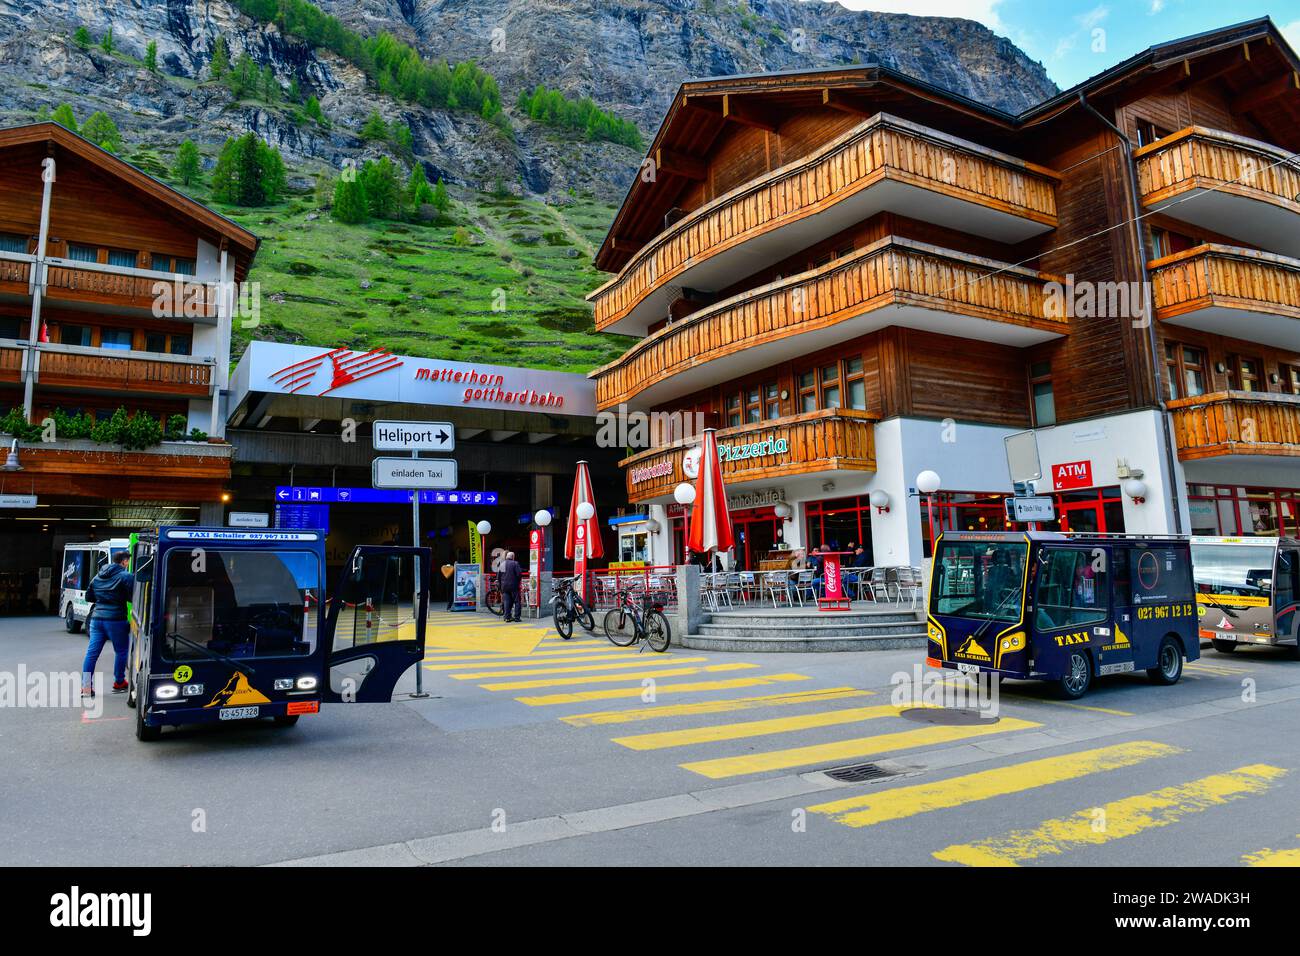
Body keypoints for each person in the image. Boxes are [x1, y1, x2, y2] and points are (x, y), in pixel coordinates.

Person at [81, 550, 135, 698]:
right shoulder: (126, 576)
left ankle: (86, 687)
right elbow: (133, 598)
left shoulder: (98, 576)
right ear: (124, 561)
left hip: (96, 619)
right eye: (128, 561)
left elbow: (88, 596)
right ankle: (119, 682)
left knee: (91, 654)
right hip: (116, 620)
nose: (128, 564)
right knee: (121, 651)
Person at [498, 551, 523, 622]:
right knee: (517, 601)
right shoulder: (515, 563)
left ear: (506, 557)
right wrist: (517, 581)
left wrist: (501, 586)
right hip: (514, 586)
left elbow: (499, 577)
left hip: (504, 587)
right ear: (513, 557)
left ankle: (507, 617)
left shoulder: (502, 564)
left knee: (506, 602)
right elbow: (519, 574)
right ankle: (517, 618)